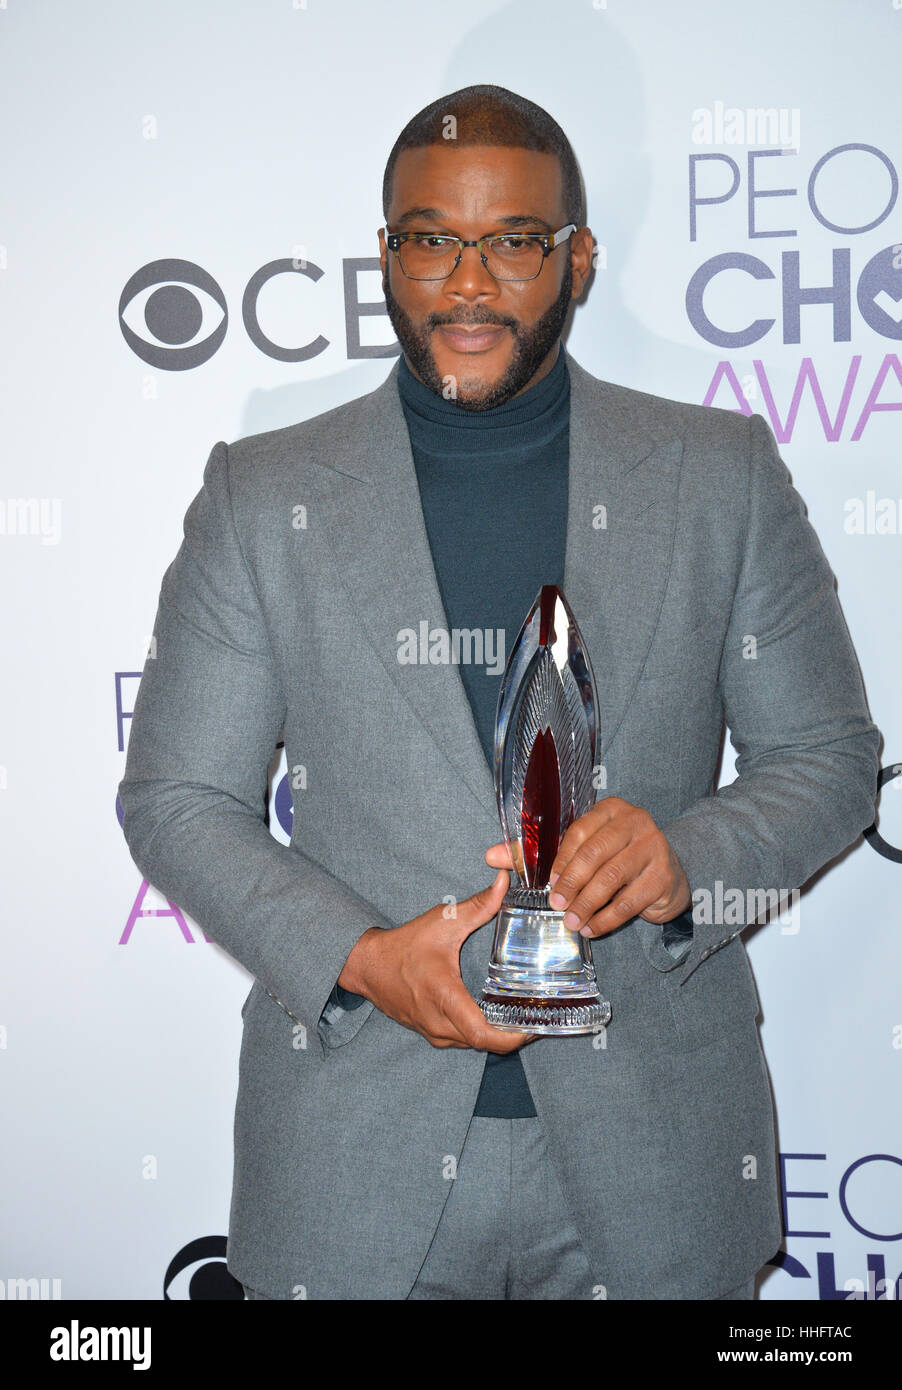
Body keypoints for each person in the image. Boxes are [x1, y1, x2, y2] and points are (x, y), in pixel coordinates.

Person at [118, 85, 881, 1300]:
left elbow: (830, 758)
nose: (466, 285)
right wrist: (360, 958)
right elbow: (176, 796)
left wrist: (684, 861)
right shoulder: (263, 496)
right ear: (386, 255)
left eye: (512, 240)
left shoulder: (716, 475)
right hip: (350, 1157)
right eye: (430, 238)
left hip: (658, 1164)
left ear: (575, 257)